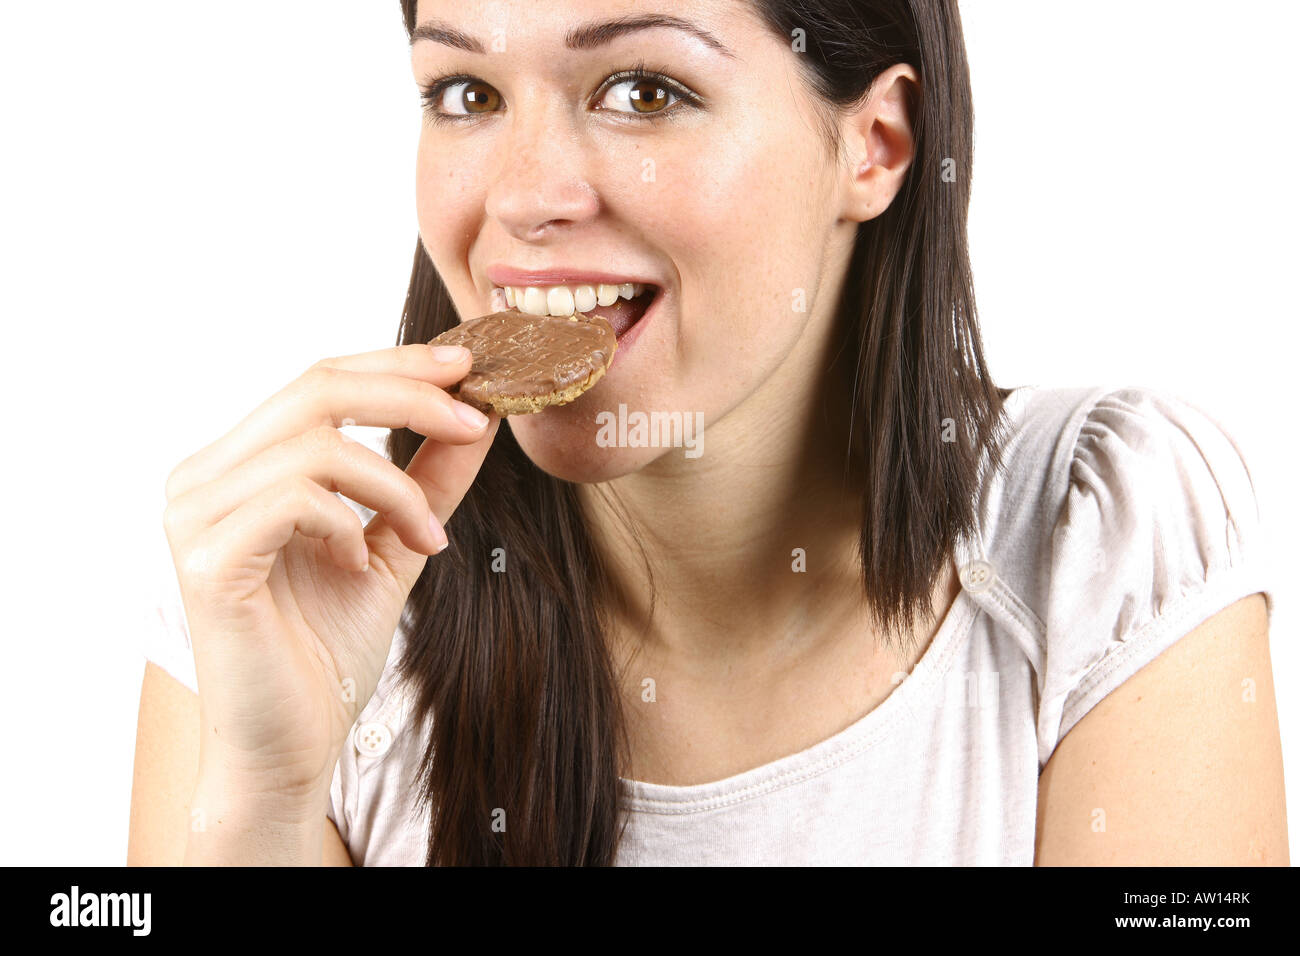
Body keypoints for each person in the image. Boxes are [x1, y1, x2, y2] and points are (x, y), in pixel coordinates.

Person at [128, 0, 1288, 866]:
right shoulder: (279, 593)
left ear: (874, 145)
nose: (524, 198)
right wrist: (264, 799)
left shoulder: (1105, 533)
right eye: (464, 94)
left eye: (642, 90)